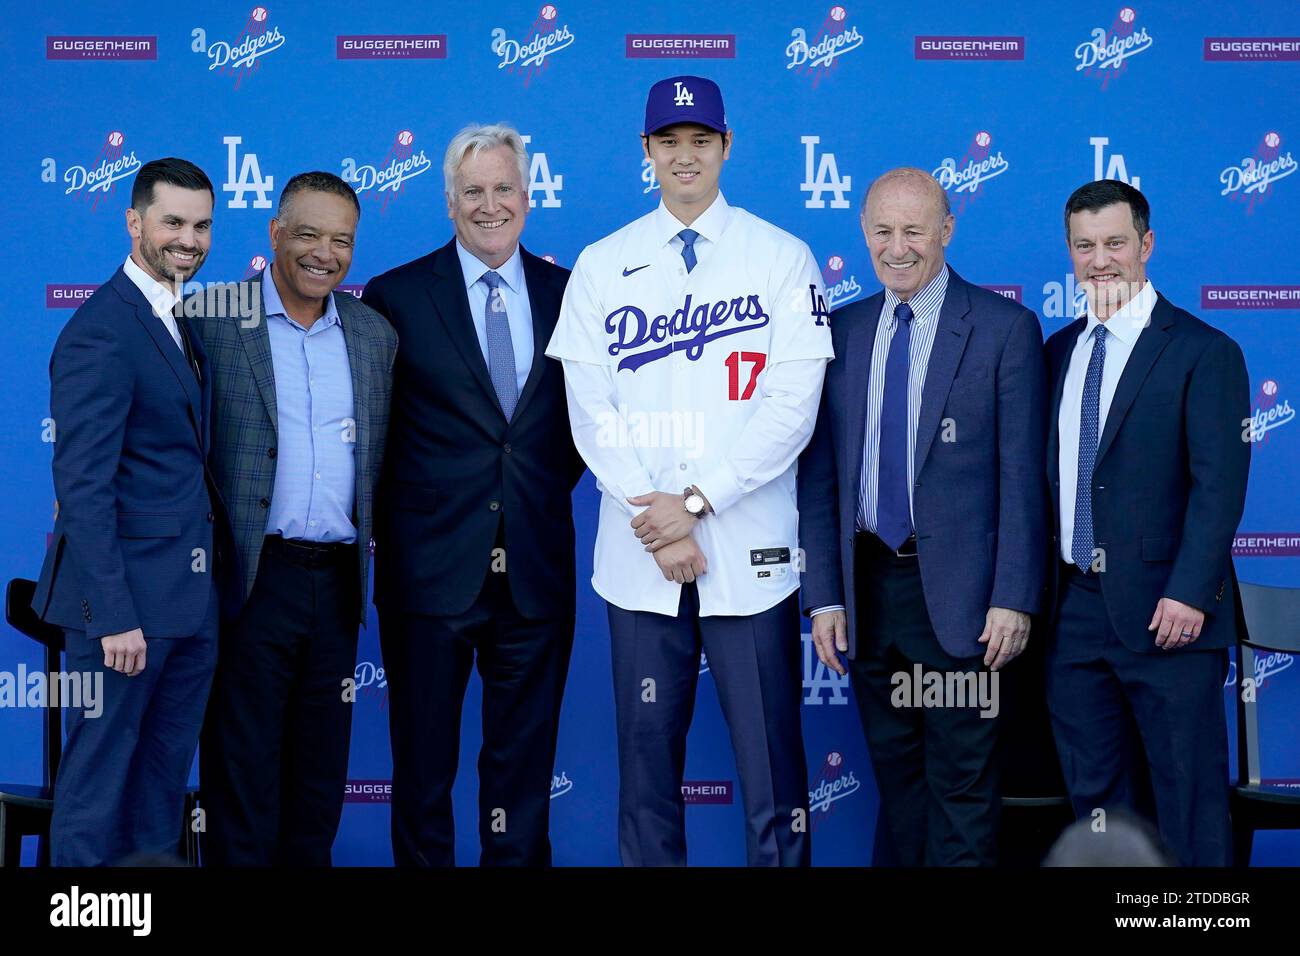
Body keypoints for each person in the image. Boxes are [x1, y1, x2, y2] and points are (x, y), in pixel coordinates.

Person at [547, 75, 831, 866]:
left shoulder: (781, 256)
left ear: (726, 146)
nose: (684, 156)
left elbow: (791, 408)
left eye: (699, 140)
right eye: (668, 142)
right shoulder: (604, 264)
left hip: (751, 550)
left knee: (774, 774)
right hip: (641, 556)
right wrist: (659, 518)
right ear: (646, 151)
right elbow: (590, 413)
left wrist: (697, 501)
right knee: (645, 778)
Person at [798, 167, 1048, 866]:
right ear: (864, 234)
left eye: (914, 230)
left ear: (946, 230)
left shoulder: (1003, 329)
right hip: (871, 600)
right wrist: (823, 597)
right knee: (899, 788)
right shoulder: (841, 332)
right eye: (882, 231)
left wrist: (1012, 597)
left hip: (967, 607)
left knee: (962, 792)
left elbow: (1024, 477)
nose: (897, 247)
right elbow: (821, 479)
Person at [361, 124, 584, 866]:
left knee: (520, 777)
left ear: (528, 196)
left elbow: (580, 435)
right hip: (429, 576)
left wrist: (524, 494)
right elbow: (371, 434)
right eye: (473, 192)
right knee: (423, 773)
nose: (491, 205)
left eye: (503, 189)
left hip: (535, 571)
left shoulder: (570, 294)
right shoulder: (395, 296)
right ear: (449, 203)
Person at [192, 171, 397, 866]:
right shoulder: (212, 317)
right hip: (251, 580)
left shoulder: (373, 336)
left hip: (337, 586)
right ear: (274, 234)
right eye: (307, 234)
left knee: (318, 780)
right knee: (243, 773)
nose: (324, 254)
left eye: (341, 240)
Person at [1044, 179, 1249, 867]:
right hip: (1073, 614)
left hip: (1170, 615)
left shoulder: (1202, 351)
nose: (1100, 260)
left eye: (1114, 244)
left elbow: (1218, 486)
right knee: (1096, 808)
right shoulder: (1057, 353)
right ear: (1070, 252)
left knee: (1187, 804)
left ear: (1146, 245)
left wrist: (1190, 591)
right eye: (1084, 246)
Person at [32, 157, 229, 866]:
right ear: (134, 222)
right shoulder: (102, 329)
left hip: (185, 603)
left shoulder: (182, 317)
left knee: (159, 790)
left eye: (202, 224)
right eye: (173, 222)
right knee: (96, 791)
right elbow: (81, 485)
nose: (189, 238)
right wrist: (114, 613)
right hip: (121, 613)